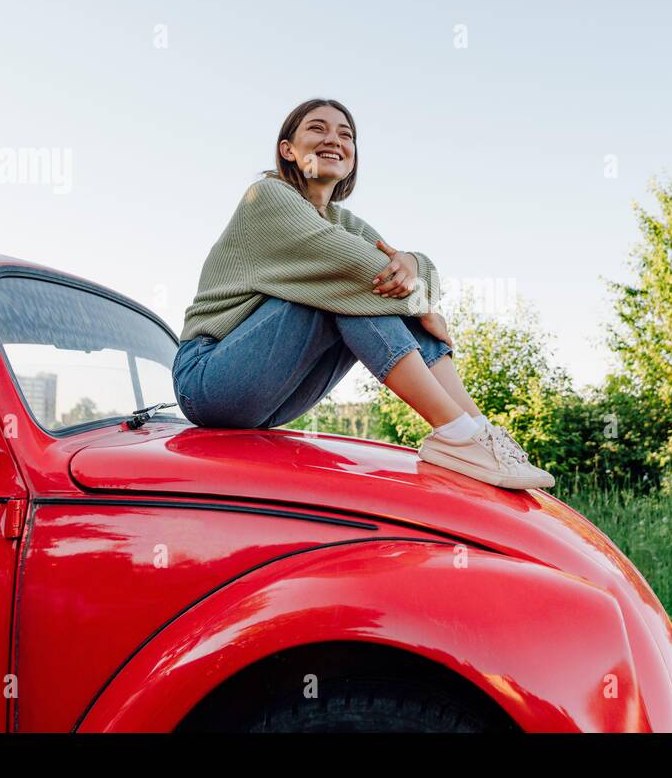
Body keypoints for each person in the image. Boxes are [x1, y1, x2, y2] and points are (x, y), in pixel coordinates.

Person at [173, 97, 554, 490]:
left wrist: (411, 263)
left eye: (346, 134)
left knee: (371, 289)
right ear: (287, 149)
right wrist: (421, 300)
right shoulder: (268, 197)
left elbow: (419, 272)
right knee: (355, 289)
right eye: (317, 128)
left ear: (352, 156)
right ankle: (453, 431)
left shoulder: (343, 222)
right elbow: (365, 271)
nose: (333, 139)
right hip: (207, 380)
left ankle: (476, 431)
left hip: (271, 398)